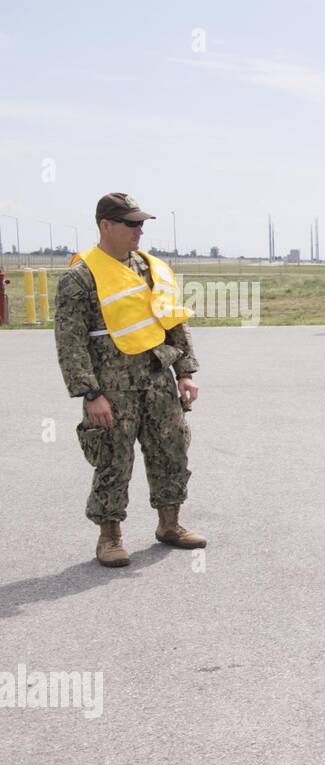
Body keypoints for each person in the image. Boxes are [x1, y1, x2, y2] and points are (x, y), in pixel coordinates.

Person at [54, 192, 206, 567]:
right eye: (131, 223)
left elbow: (172, 321)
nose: (140, 230)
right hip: (111, 387)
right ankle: (109, 537)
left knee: (171, 451)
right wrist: (90, 393)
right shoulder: (80, 277)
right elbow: (69, 342)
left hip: (157, 380)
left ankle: (170, 524)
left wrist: (184, 372)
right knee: (113, 460)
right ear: (106, 225)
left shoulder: (152, 268)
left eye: (142, 223)